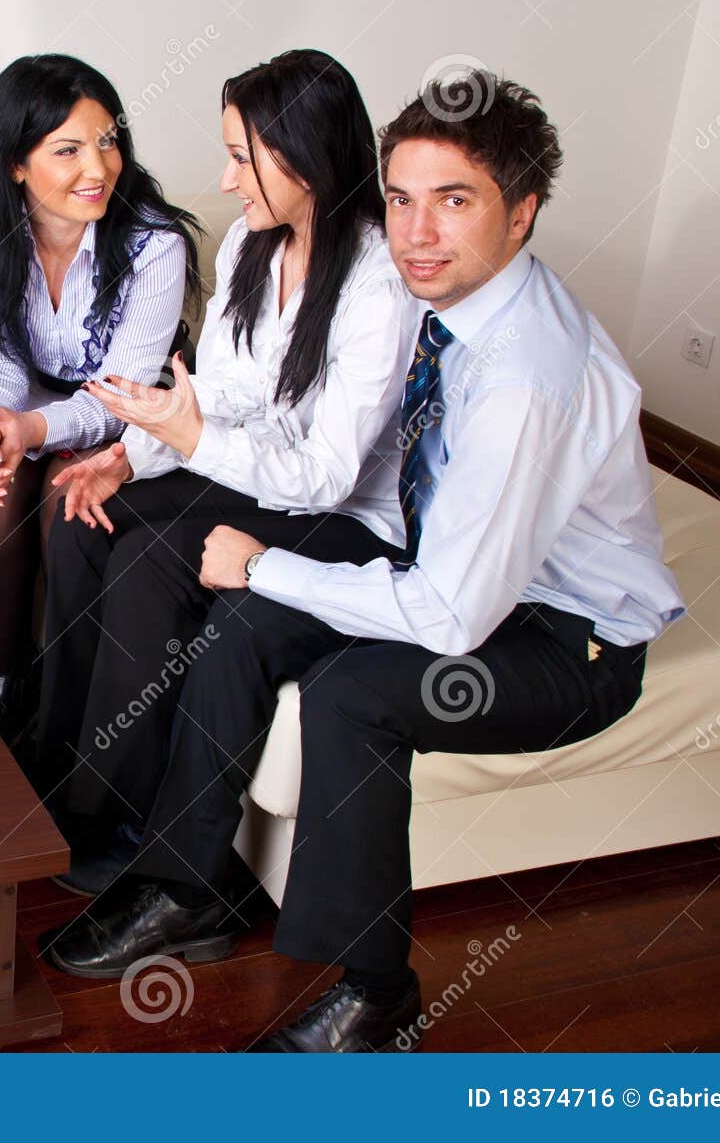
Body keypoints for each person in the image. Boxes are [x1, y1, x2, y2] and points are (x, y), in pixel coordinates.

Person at [37, 72, 686, 1053]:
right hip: (463, 572)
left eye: (454, 201)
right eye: (401, 199)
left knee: (348, 693)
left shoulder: (524, 379)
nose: (418, 232)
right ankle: (185, 884)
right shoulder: (463, 306)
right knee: (242, 625)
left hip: (568, 644)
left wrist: (263, 565)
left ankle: (377, 996)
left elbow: (448, 618)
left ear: (523, 213)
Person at [30, 50, 418, 893]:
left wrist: (190, 440)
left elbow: (323, 473)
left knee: (150, 558)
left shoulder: (379, 284)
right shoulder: (252, 244)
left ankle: (109, 816)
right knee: (79, 514)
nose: (228, 178)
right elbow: (222, 403)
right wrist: (124, 458)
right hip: (251, 469)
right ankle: (49, 763)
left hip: (342, 509)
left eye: (243, 157)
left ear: (305, 155)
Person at [0, 54, 203, 738]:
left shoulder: (153, 243)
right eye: (69, 149)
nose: (99, 167)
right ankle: (6, 674)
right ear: (16, 164)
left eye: (108, 141)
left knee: (65, 490)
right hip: (20, 397)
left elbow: (120, 393)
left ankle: (63, 700)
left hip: (124, 412)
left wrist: (32, 429)